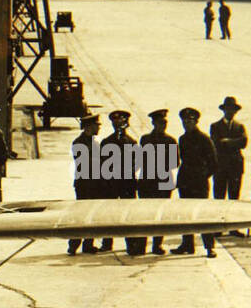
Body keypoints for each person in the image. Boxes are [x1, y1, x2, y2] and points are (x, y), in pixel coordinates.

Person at [170, 108, 217, 257]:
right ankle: (187, 244)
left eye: (189, 121)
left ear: (196, 122)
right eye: (184, 122)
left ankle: (209, 247)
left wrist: (202, 177)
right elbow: (182, 160)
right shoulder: (182, 139)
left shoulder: (204, 139)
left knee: (203, 214)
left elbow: (214, 163)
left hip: (199, 183)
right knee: (185, 214)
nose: (186, 124)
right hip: (185, 181)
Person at [137, 109, 176, 256]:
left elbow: (175, 163)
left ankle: (157, 245)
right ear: (154, 123)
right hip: (148, 181)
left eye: (165, 123)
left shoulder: (171, 140)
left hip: (163, 182)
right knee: (145, 215)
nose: (163, 125)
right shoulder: (145, 139)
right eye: (160, 123)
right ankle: (142, 245)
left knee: (161, 215)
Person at [209, 96, 248, 240]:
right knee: (219, 196)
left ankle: (233, 228)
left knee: (234, 197)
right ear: (224, 110)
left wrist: (228, 141)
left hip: (235, 166)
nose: (231, 112)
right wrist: (233, 142)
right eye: (228, 109)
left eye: (233, 110)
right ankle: (218, 227)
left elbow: (244, 142)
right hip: (220, 166)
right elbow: (216, 143)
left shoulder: (239, 126)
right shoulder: (215, 126)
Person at [68, 114, 101, 255]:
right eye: (96, 125)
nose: (99, 127)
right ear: (89, 126)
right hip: (85, 184)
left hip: (93, 183)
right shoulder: (79, 143)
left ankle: (88, 244)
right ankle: (74, 244)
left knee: (92, 214)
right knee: (81, 215)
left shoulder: (94, 142)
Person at [104, 110, 136, 253]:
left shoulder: (131, 142)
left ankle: (130, 243)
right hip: (112, 183)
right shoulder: (106, 142)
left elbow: (137, 163)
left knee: (128, 214)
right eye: (115, 123)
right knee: (108, 213)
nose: (118, 127)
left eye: (121, 123)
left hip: (127, 183)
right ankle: (107, 242)